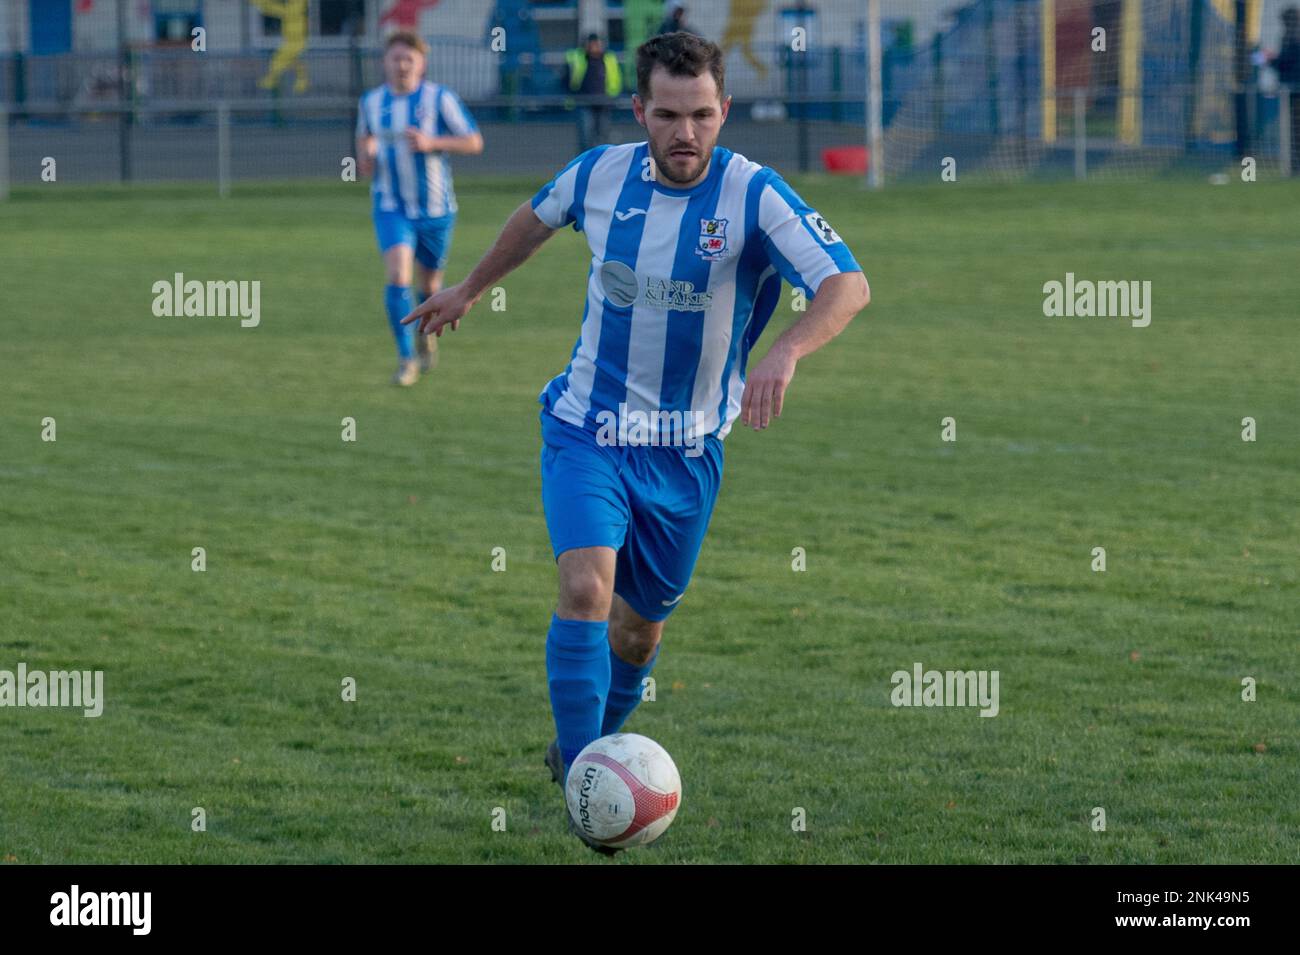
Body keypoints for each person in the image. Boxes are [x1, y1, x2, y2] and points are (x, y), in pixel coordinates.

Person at [401, 32, 869, 852]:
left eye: (701, 115)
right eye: (666, 114)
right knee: (586, 587)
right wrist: (471, 286)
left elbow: (846, 282)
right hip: (589, 427)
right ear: (638, 111)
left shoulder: (755, 196)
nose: (685, 132)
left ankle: (582, 750)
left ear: (723, 110)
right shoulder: (601, 173)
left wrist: (788, 351)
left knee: (638, 634)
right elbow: (535, 218)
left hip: (687, 455)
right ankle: (589, 779)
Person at [356, 31, 484, 386]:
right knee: (398, 276)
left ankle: (424, 336)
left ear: (421, 63)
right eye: (395, 58)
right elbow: (363, 146)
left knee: (430, 286)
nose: (401, 65)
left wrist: (432, 142)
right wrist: (365, 155)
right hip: (391, 205)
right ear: (385, 62)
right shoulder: (371, 102)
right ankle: (405, 358)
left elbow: (474, 141)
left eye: (408, 59)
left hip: (435, 209)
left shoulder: (439, 98)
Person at [563, 33, 623, 153]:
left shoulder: (609, 59)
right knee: (586, 138)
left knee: (604, 137)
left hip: (604, 103)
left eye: (598, 44)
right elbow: (568, 79)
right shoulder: (578, 58)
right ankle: (585, 165)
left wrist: (612, 97)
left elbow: (616, 79)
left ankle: (603, 165)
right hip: (585, 102)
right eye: (592, 44)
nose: (595, 47)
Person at [1272, 6, 1300, 174]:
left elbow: (1285, 63)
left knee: (1294, 129)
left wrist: (1270, 60)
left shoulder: (1290, 39)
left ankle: (1295, 165)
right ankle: (1294, 165)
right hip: (1292, 90)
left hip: (1293, 90)